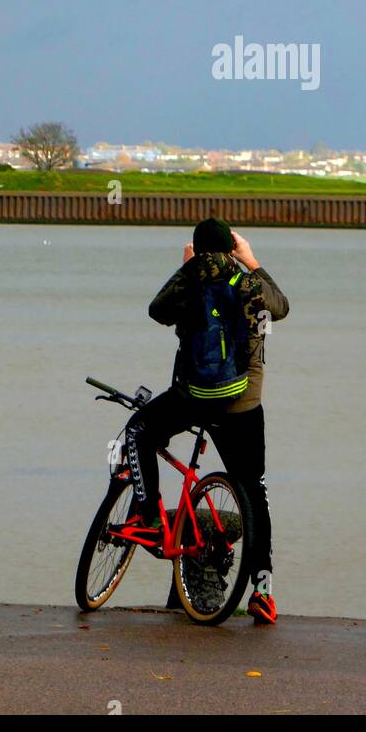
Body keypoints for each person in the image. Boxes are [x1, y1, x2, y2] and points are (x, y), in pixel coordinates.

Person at [109, 216, 289, 624]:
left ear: (195, 248)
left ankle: (149, 515)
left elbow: (157, 310)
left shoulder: (190, 283)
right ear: (231, 249)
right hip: (241, 405)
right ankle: (262, 591)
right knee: (252, 490)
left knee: (139, 430)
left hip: (191, 398)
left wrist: (187, 266)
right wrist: (252, 260)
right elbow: (282, 306)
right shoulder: (247, 285)